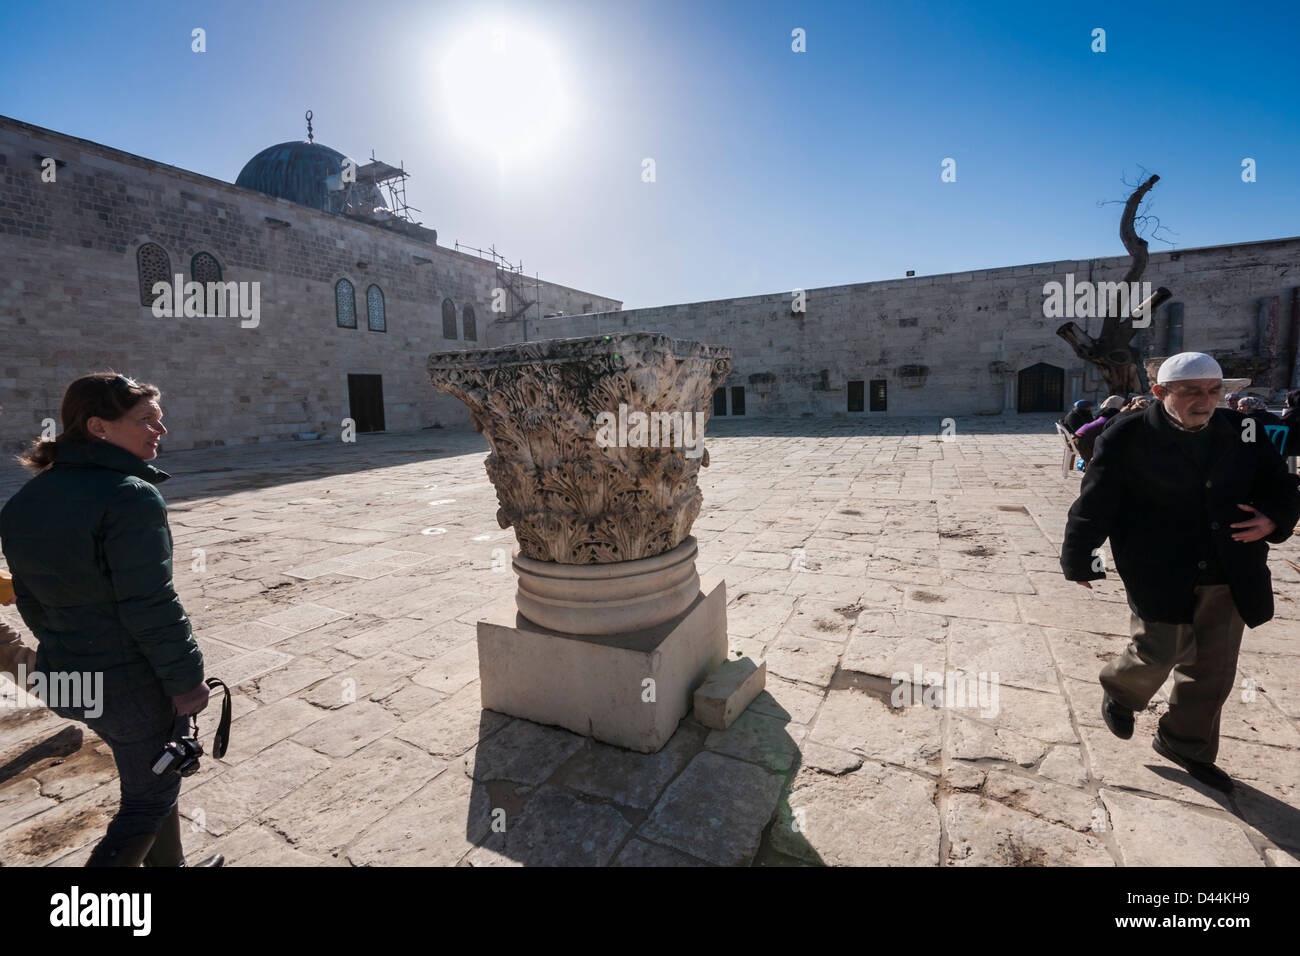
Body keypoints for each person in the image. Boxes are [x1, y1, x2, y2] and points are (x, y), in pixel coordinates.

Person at [0, 373, 222, 867]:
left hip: (69, 678)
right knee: (148, 799)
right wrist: (186, 682)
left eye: (159, 418)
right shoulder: (129, 495)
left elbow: (32, 602)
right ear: (99, 427)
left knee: (153, 773)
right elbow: (150, 602)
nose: (160, 429)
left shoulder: (22, 502)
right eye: (146, 419)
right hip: (129, 687)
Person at [1060, 352, 1300, 793]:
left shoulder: (1243, 429)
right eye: (1192, 391)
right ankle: (1121, 689)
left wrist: (1272, 518)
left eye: (1214, 390)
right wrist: (1080, 556)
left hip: (1231, 564)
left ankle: (1184, 743)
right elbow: (1096, 501)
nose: (1206, 400)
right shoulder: (1128, 434)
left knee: (1213, 666)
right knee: (1160, 648)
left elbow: (1281, 484)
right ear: (1160, 393)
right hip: (1159, 565)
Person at [1072, 395, 1125, 464]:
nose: (1090, 408)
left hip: (1078, 439)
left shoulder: (1101, 416)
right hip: (1083, 442)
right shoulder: (1110, 419)